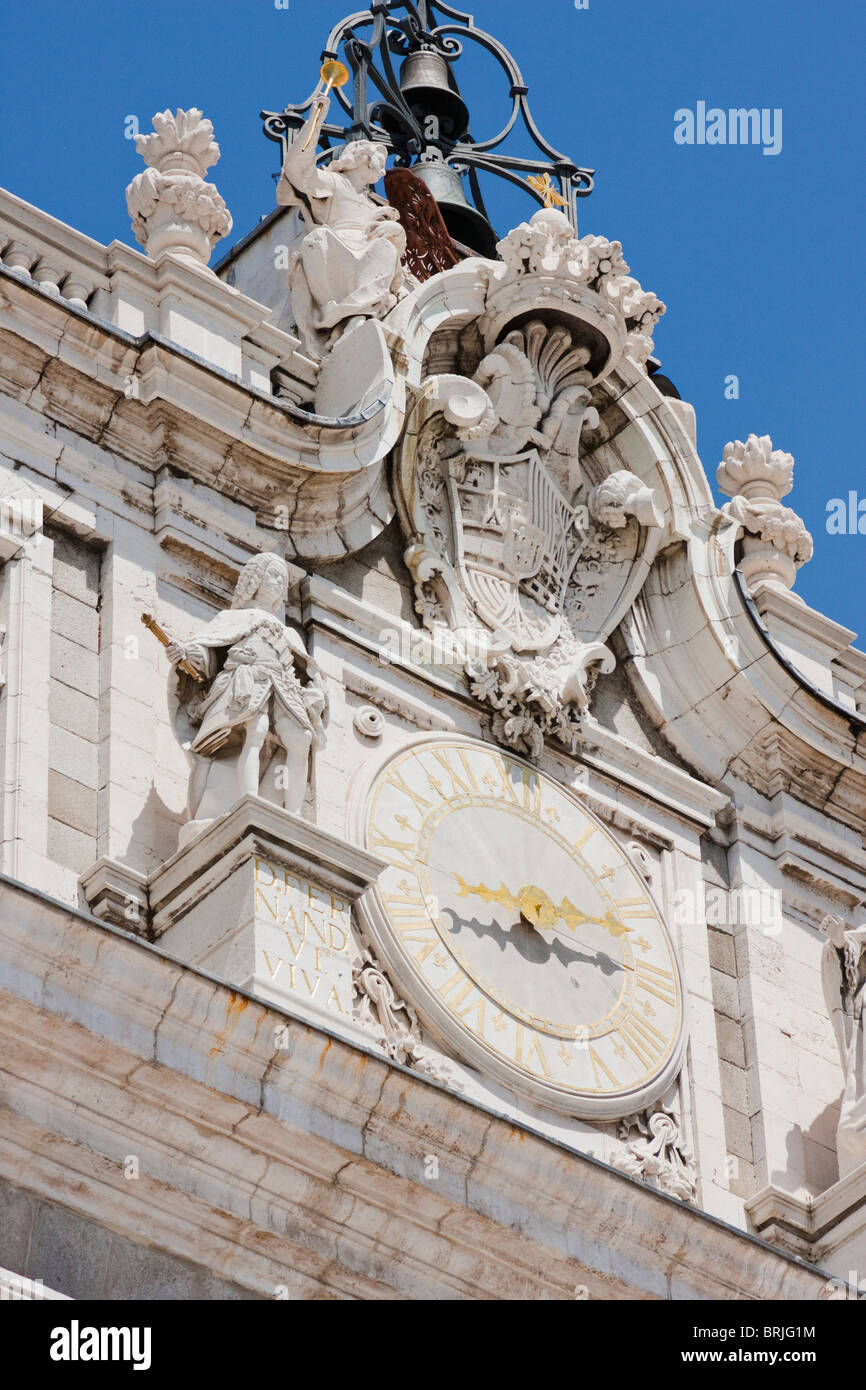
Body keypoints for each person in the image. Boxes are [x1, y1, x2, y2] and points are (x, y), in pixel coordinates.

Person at [165, 553, 327, 837]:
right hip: (248, 680)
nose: (279, 583)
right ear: (255, 579)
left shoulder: (289, 634)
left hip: (283, 685)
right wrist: (186, 653)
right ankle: (249, 800)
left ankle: (294, 813)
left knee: (301, 739)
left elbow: (310, 674)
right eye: (273, 576)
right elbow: (207, 651)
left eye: (283, 579)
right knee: (256, 731)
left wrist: (317, 693)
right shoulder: (232, 618)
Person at [276, 92, 410, 359]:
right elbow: (297, 169)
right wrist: (315, 121)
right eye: (378, 159)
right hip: (336, 252)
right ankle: (340, 315)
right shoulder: (333, 183)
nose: (383, 169)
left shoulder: (374, 208)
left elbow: (395, 252)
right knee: (319, 240)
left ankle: (353, 317)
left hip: (366, 256)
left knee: (385, 249)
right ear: (361, 157)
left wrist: (398, 233)